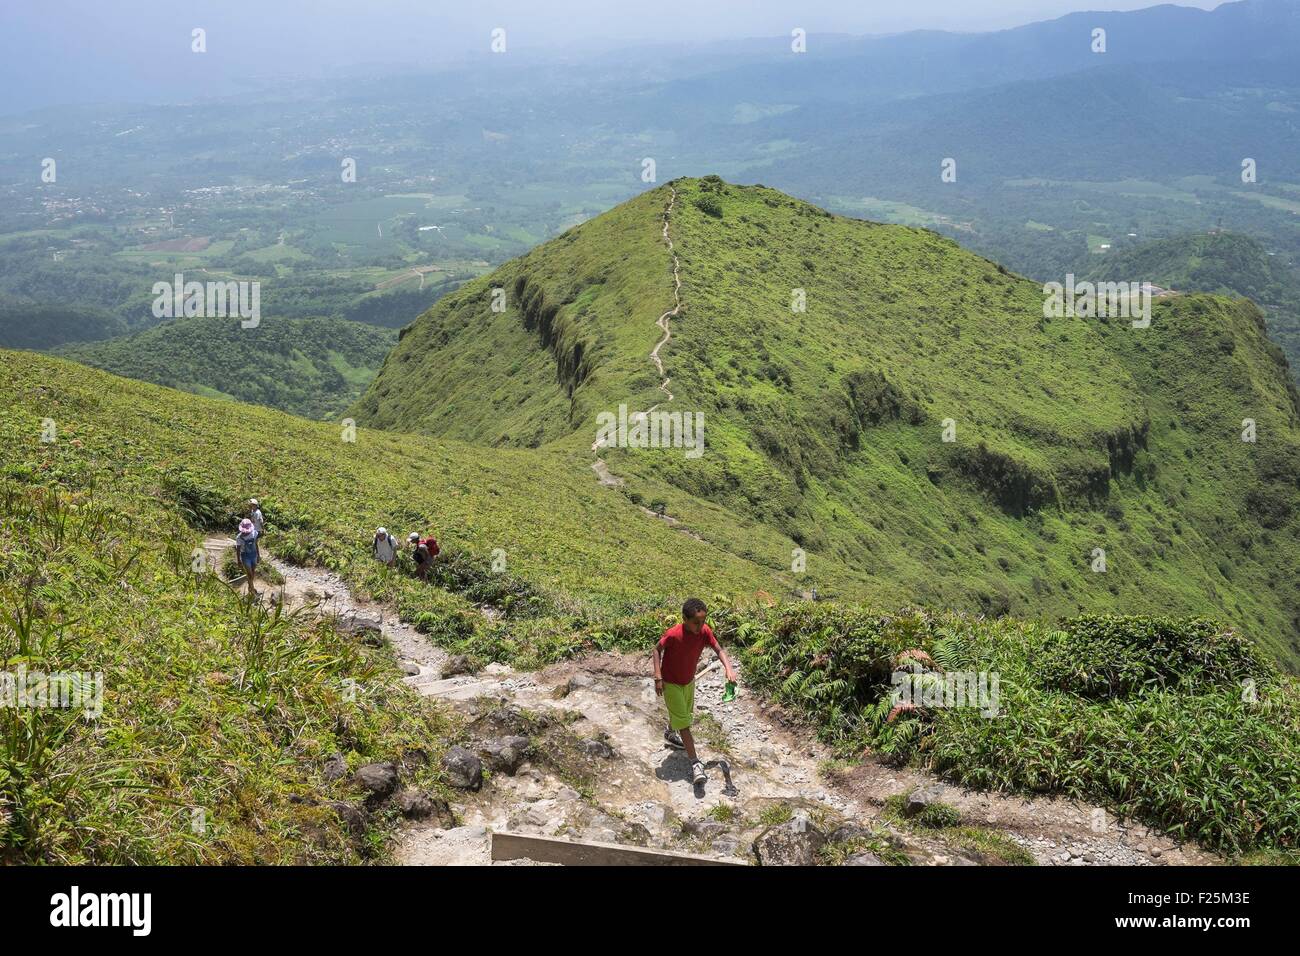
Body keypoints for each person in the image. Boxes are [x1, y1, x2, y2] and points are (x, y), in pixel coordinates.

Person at [653, 597, 737, 786]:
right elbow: (657, 650)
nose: (700, 626)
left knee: (684, 715)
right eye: (695, 622)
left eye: (703, 621)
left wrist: (729, 668)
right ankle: (695, 763)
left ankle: (669, 733)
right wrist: (658, 678)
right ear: (685, 619)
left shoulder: (704, 631)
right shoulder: (674, 634)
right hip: (671, 683)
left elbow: (718, 649)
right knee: (684, 723)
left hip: (688, 681)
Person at [234, 518, 260, 597]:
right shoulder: (239, 537)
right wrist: (239, 561)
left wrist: (258, 555)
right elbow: (238, 550)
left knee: (253, 572)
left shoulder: (254, 533)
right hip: (245, 557)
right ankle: (252, 591)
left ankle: (250, 587)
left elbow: (256, 544)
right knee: (249, 574)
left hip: (254, 555)